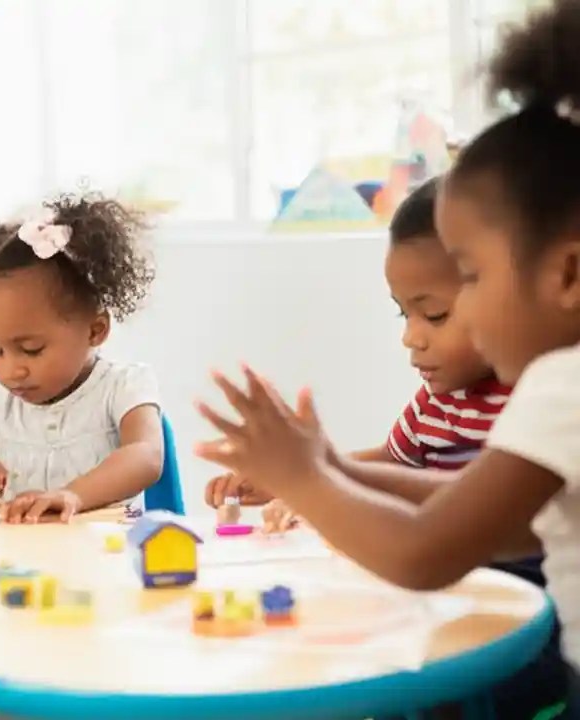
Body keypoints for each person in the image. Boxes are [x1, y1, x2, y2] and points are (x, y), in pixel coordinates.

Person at [195, 2, 580, 714]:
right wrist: (329, 468)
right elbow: (491, 515)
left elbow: (425, 551)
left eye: (470, 274)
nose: (458, 310)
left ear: (567, 274)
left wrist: (305, 480)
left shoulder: (564, 385)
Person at [211, 177, 566, 717]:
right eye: (405, 315)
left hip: (530, 637)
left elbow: (429, 545)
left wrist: (310, 480)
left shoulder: (554, 395)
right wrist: (316, 468)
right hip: (476, 600)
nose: (411, 337)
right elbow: (441, 486)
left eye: (439, 313)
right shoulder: (452, 399)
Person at [0, 194, 163, 719]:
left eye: (30, 349)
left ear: (95, 330)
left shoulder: (122, 386)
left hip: (97, 592)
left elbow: (145, 456)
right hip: (13, 588)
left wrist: (72, 494)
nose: (11, 370)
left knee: (49, 690)